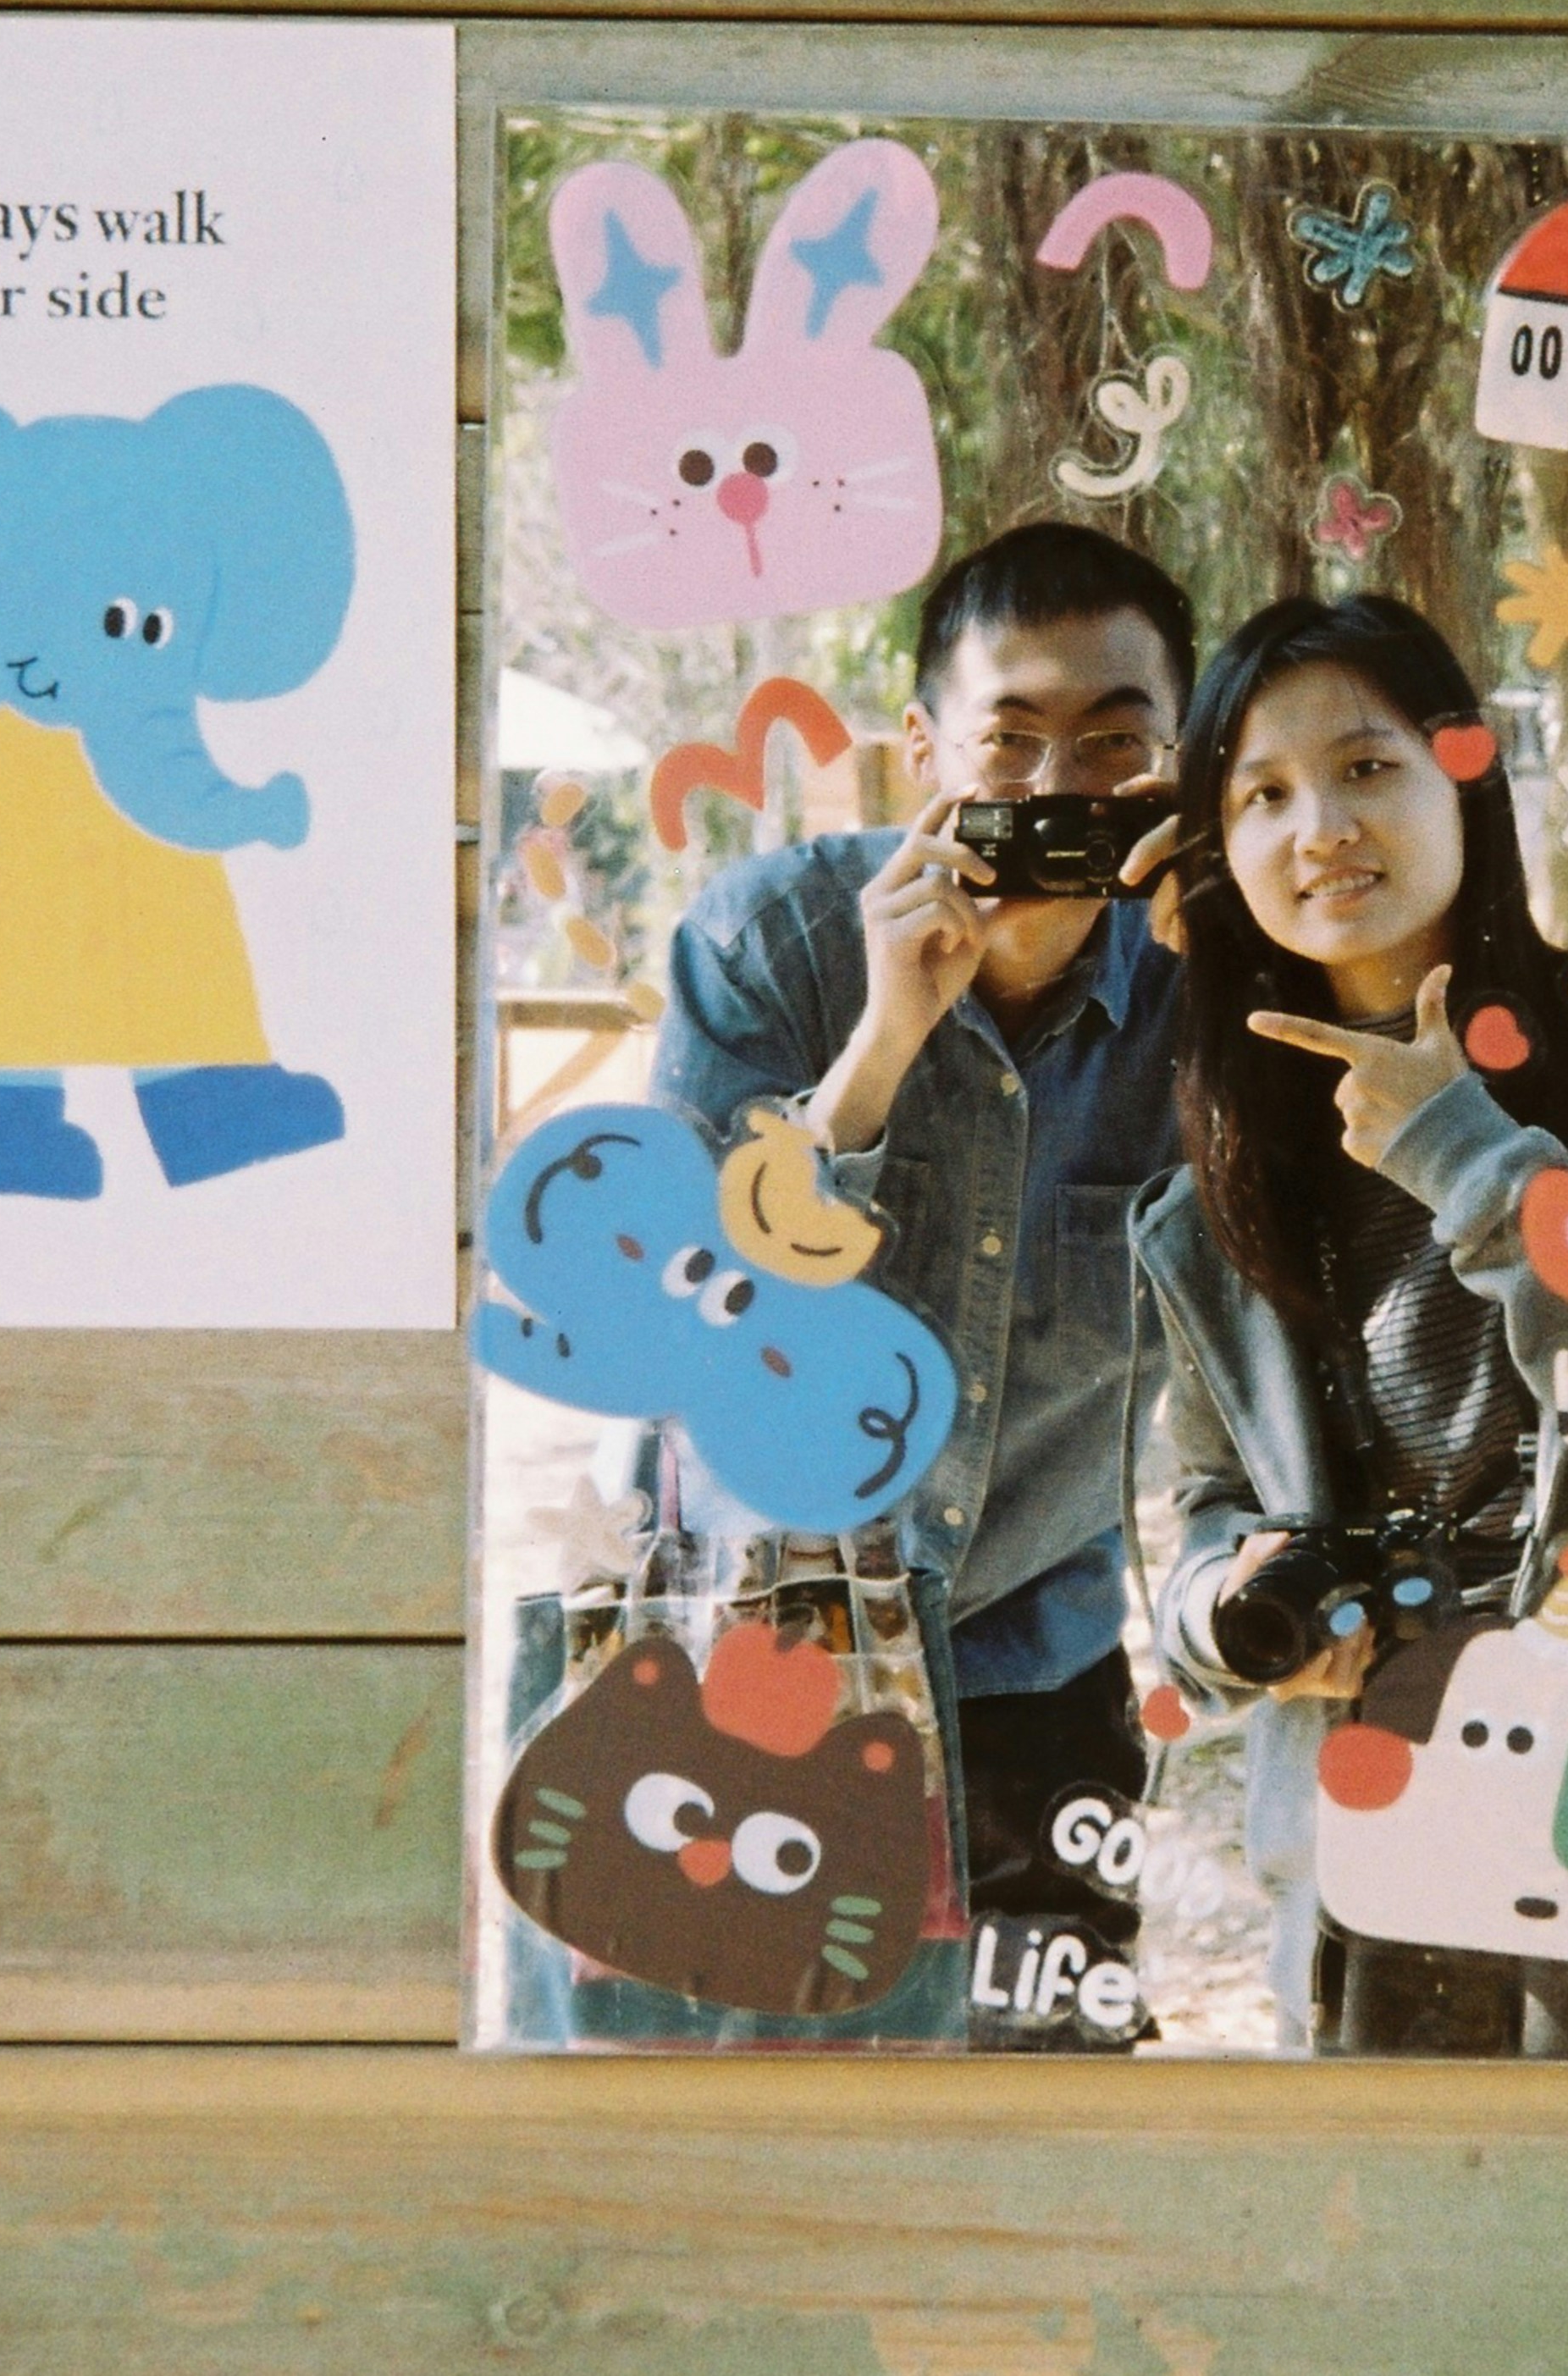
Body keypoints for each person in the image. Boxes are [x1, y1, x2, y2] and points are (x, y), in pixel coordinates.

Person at [1129, 592, 1568, 2058]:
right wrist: (1229, 1609)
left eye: (1366, 766)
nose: (1320, 828)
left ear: (1466, 772)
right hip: (1367, 1815)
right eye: (1261, 796)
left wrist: (1469, 1158)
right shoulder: (1218, 1181)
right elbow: (1207, 1514)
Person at [641, 520, 1196, 2036]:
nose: (1059, 789)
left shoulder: (1208, 991)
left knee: (1051, 2078)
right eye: (1008, 740)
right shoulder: (770, 946)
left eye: (1116, 742)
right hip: (765, 1643)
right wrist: (881, 1048)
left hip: (1039, 1657)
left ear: (1177, 768)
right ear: (921, 750)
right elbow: (693, 1315)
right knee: (762, 2087)